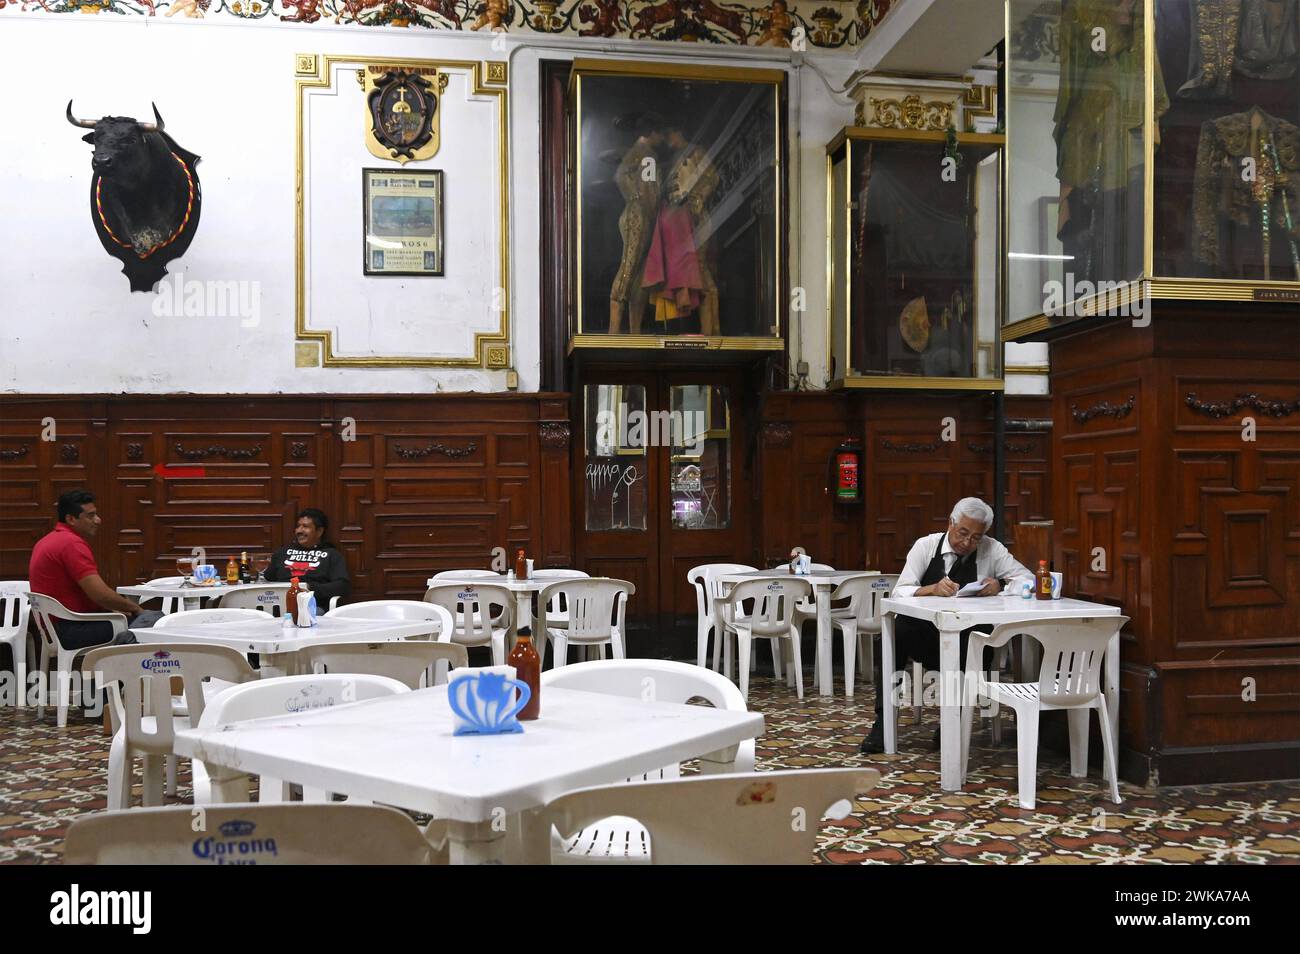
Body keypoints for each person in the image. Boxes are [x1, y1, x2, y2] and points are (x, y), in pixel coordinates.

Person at [859, 496, 1033, 754]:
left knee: (980, 637)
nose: (967, 542)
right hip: (926, 637)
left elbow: (1028, 580)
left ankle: (953, 725)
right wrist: (931, 589)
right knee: (894, 634)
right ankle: (883, 722)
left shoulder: (992, 549)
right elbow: (899, 592)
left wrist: (1002, 585)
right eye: (963, 533)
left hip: (969, 640)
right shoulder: (926, 546)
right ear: (950, 523)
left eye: (976, 537)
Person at [29, 490, 163, 650]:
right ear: (71, 519)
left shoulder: (48, 540)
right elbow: (100, 595)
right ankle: (123, 672)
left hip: (55, 629)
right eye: (90, 516)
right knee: (156, 620)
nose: (98, 520)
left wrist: (114, 609)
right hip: (72, 631)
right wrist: (136, 608)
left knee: (134, 618)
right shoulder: (71, 544)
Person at [263, 508, 351, 609]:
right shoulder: (282, 552)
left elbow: (342, 586)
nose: (299, 531)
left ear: (319, 531)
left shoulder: (332, 554)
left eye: (305, 526)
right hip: (279, 605)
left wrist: (309, 588)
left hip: (313, 606)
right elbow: (268, 579)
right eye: (298, 526)